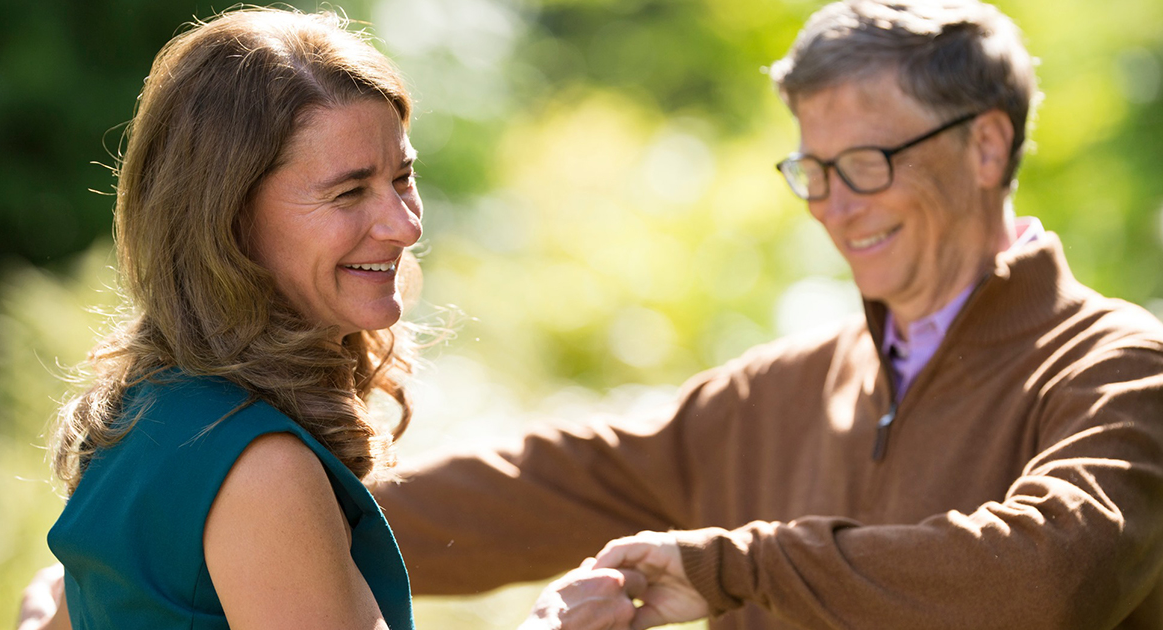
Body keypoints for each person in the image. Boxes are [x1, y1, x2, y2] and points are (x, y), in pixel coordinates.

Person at [365, 1, 1163, 628]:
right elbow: (554, 484)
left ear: (987, 148)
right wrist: (297, 512)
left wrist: (739, 566)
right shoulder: (779, 391)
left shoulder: (1121, 369)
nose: (836, 208)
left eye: (866, 165)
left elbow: (1052, 577)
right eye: (813, 171)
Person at [28, 7, 640, 630]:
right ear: (226, 219)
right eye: (349, 193)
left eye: (402, 177)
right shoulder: (261, 466)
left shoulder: (143, 410)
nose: (405, 224)